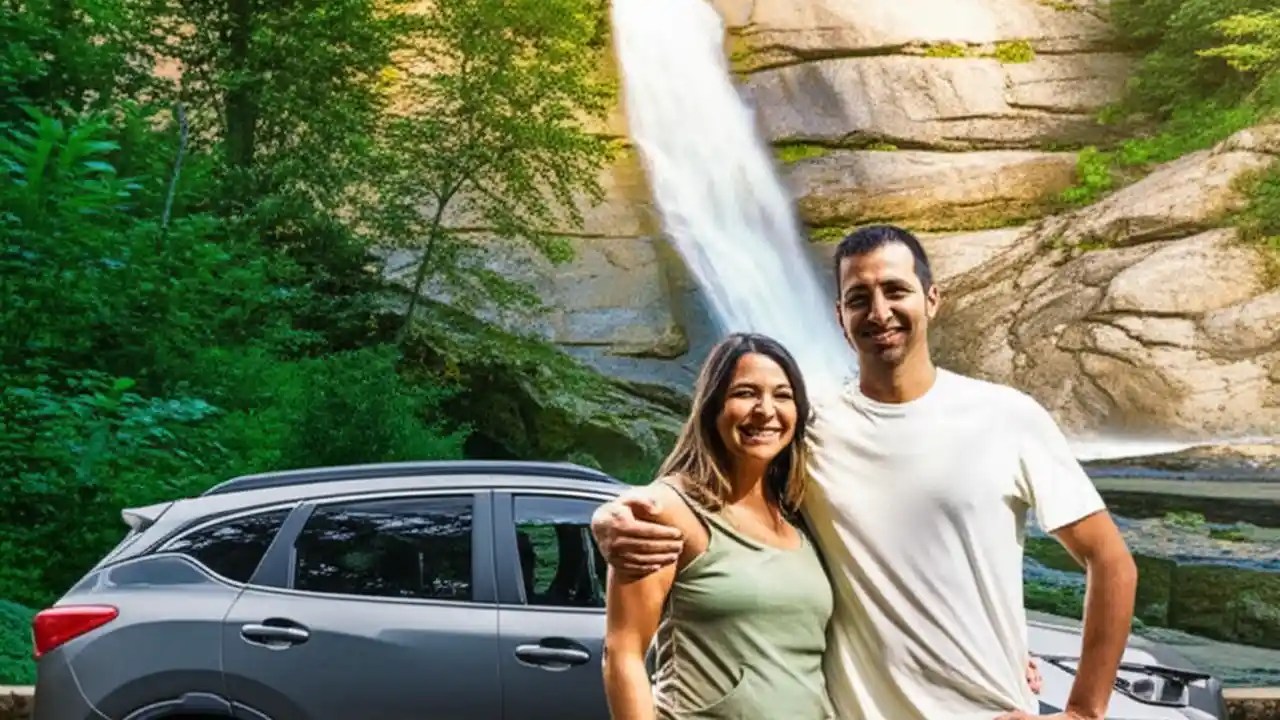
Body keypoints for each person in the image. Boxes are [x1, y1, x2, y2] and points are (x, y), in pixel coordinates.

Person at [592, 224, 1138, 720]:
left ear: (931, 299)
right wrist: (608, 515)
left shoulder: (1007, 417)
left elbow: (1110, 560)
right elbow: (712, 479)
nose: (879, 312)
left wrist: (1082, 712)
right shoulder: (809, 431)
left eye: (896, 290)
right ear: (840, 317)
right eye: (859, 298)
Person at [602, 332, 835, 720]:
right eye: (745, 393)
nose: (765, 410)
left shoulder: (798, 512)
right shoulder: (667, 510)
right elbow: (621, 654)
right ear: (712, 407)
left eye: (782, 395)